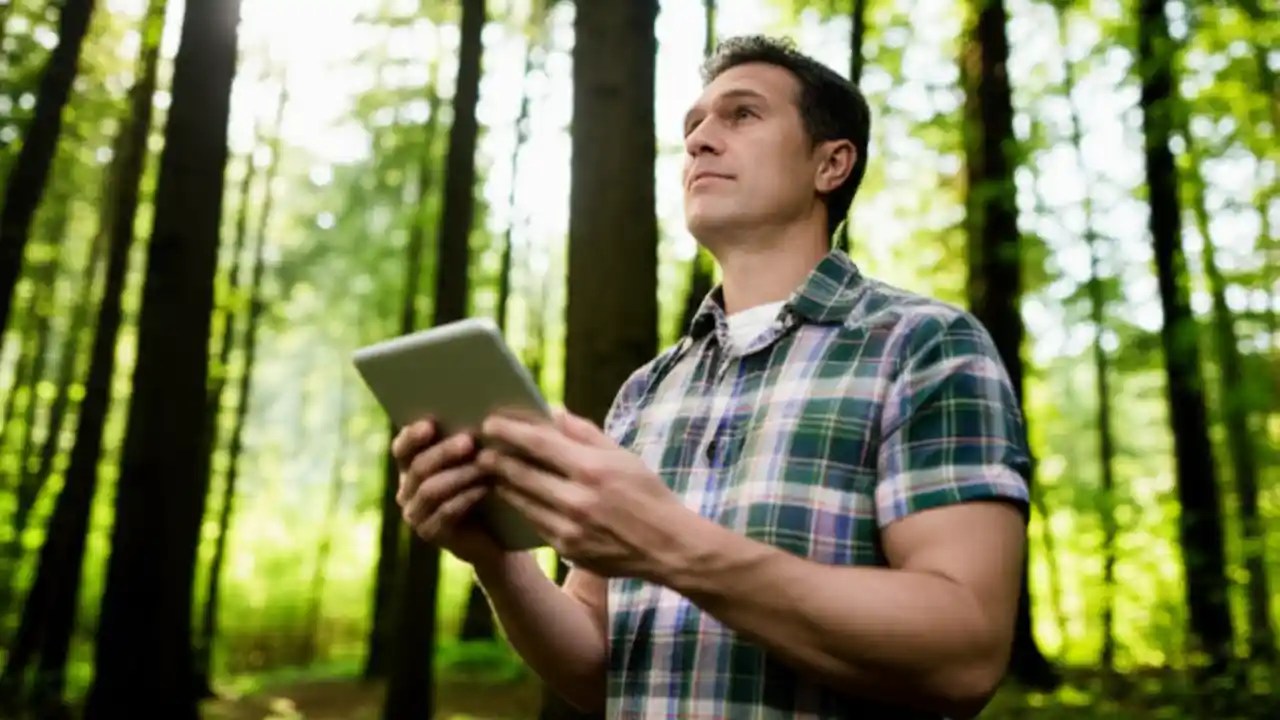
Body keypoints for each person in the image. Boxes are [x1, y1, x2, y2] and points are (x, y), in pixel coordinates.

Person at [393, 35, 1030, 720]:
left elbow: (964, 653)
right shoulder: (647, 391)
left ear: (831, 163)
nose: (699, 141)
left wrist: (672, 544)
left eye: (742, 115)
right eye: (692, 125)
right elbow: (597, 669)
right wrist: (497, 558)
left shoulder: (924, 345)